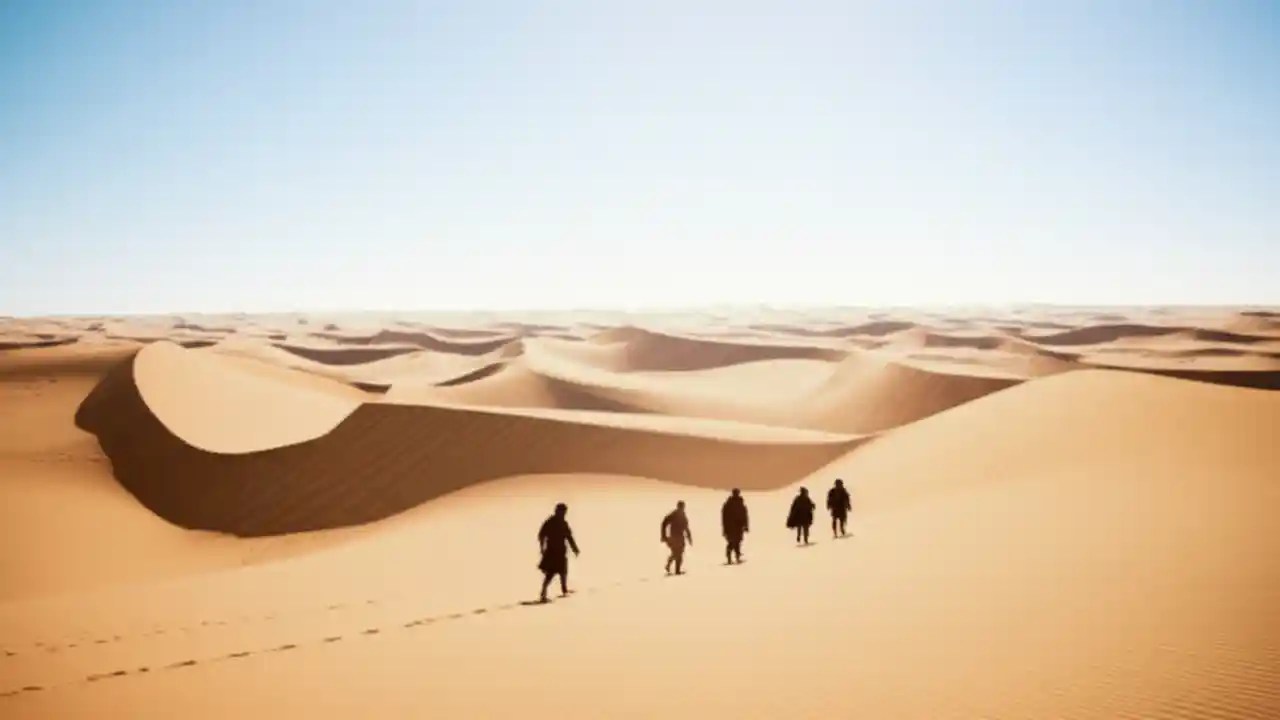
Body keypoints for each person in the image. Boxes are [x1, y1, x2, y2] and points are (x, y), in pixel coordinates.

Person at [537, 503, 580, 603]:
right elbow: (541, 535)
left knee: (563, 571)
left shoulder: (563, 523)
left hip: (561, 552)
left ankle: (564, 590)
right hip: (552, 552)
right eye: (562, 512)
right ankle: (543, 594)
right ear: (557, 511)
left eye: (565, 512)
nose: (564, 514)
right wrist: (542, 548)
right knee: (550, 574)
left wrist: (575, 549)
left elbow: (569, 537)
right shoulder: (550, 522)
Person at [661, 501, 693, 574]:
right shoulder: (674, 514)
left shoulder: (682, 515)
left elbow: (686, 527)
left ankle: (671, 567)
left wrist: (689, 537)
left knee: (677, 553)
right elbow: (664, 523)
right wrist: (663, 535)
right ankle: (675, 570)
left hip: (680, 537)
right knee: (677, 553)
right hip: (674, 537)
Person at [721, 489, 749, 564]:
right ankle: (730, 558)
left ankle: (737, 557)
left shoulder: (740, 503)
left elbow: (744, 515)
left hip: (738, 526)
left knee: (737, 541)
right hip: (731, 526)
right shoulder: (729, 504)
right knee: (732, 542)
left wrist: (746, 525)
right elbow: (724, 516)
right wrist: (725, 527)